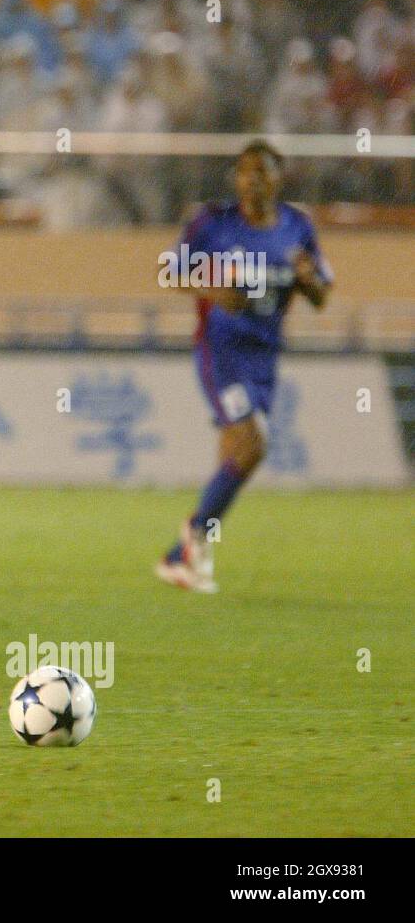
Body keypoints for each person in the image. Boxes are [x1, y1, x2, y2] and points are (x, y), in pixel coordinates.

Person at [155, 140, 333, 594]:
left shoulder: (296, 226)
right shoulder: (213, 223)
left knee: (238, 453)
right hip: (223, 350)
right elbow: (169, 272)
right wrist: (213, 291)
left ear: (279, 178)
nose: (252, 180)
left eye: (263, 171)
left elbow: (321, 294)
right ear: (235, 179)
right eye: (244, 171)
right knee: (254, 444)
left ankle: (183, 558)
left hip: (265, 355)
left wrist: (309, 279)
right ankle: (192, 538)